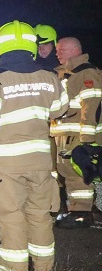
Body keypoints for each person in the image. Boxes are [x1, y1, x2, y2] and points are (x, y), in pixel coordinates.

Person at [0, 21, 68, 271]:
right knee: (39, 216)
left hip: (6, 165)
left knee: (11, 217)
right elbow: (60, 109)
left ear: (1, 47)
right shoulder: (49, 76)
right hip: (41, 162)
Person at [51, 36, 102, 228]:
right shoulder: (63, 73)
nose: (57, 53)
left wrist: (87, 139)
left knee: (78, 174)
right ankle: (73, 210)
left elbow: (91, 104)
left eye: (61, 50)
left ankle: (81, 213)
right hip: (63, 135)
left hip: (78, 136)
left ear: (75, 50)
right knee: (67, 173)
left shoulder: (86, 73)